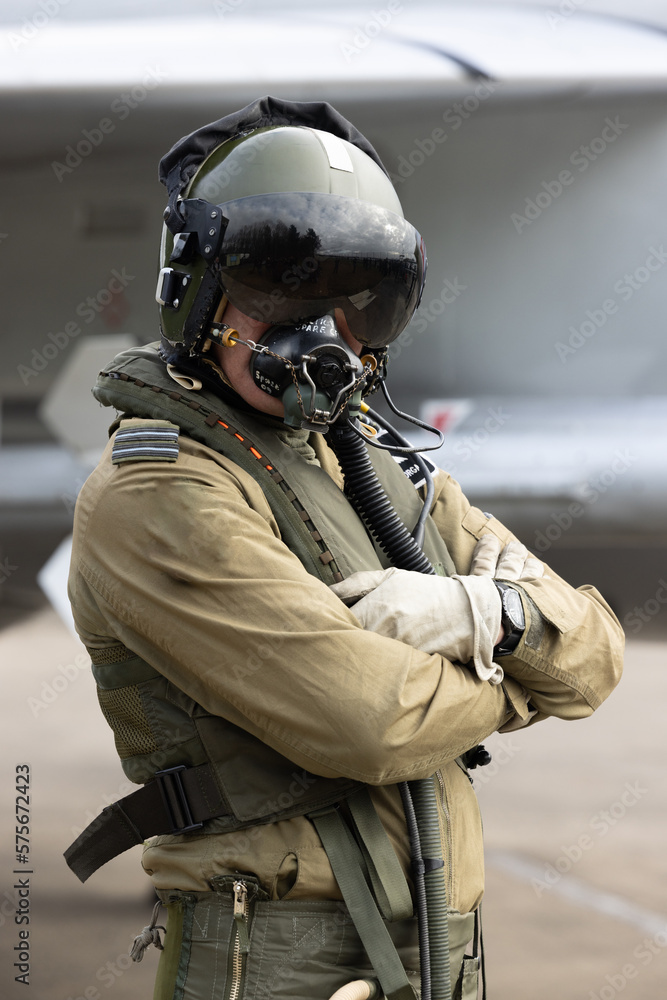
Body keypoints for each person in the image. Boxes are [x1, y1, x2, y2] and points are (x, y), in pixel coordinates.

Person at [65, 96, 624, 1000]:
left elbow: (595, 653)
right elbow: (370, 723)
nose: (321, 336)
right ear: (196, 290)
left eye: (353, 302)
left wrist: (487, 613)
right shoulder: (163, 492)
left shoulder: (373, 468)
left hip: (438, 951)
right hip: (281, 960)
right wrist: (515, 671)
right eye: (277, 292)